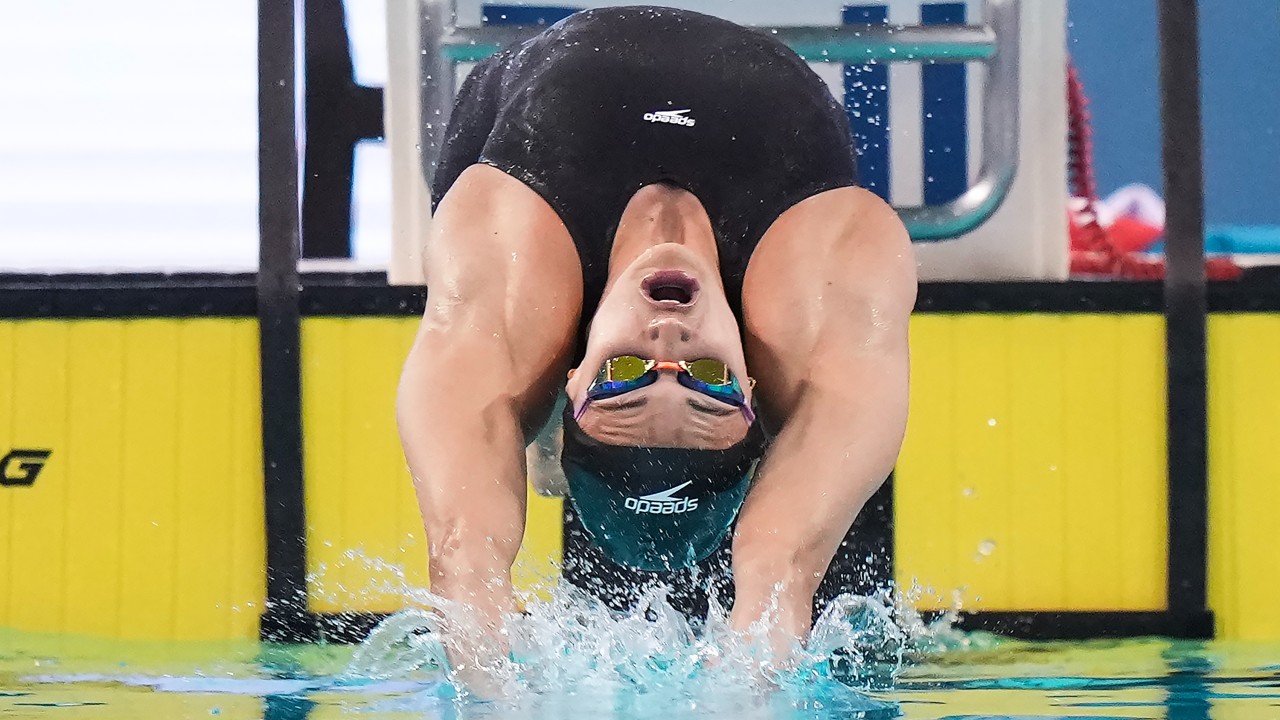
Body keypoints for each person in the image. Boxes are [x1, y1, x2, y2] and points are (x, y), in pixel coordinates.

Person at [396, 5, 916, 681]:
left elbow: (465, 556)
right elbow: (780, 568)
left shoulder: (512, 258)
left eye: (626, 373)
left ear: (577, 379)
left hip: (521, 146)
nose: (669, 334)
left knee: (507, 356)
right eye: (706, 376)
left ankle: (543, 426)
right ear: (754, 389)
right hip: (771, 155)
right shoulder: (813, 295)